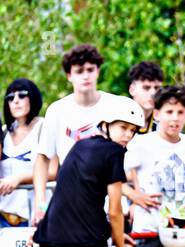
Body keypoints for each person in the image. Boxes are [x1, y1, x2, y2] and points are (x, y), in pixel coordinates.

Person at [32, 96, 141, 247]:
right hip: (86, 245)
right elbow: (115, 211)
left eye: (133, 130)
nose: (128, 135)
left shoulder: (81, 145)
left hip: (48, 242)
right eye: (123, 127)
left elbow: (82, 203)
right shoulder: (114, 152)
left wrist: (112, 234)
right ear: (106, 125)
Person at [32, 44, 121, 225]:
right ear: (69, 75)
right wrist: (40, 204)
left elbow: (128, 156)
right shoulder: (57, 110)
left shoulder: (116, 106)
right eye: (79, 71)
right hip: (71, 204)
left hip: (110, 202)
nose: (86, 75)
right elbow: (43, 159)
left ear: (98, 71)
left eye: (90, 69)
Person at [122, 84, 185, 247]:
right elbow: (114, 179)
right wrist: (135, 196)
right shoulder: (141, 143)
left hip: (184, 231)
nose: (175, 118)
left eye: (180, 112)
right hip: (149, 232)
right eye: (169, 112)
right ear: (157, 114)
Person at [0, 79, 44, 226]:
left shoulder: (44, 127)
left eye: (22, 95)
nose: (16, 101)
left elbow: (53, 171)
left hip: (34, 217)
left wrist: (19, 178)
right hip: (3, 217)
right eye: (11, 97)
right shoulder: (4, 131)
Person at [125, 61, 164, 134]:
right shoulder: (117, 119)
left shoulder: (165, 123)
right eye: (146, 88)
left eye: (157, 88)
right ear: (132, 90)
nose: (153, 93)